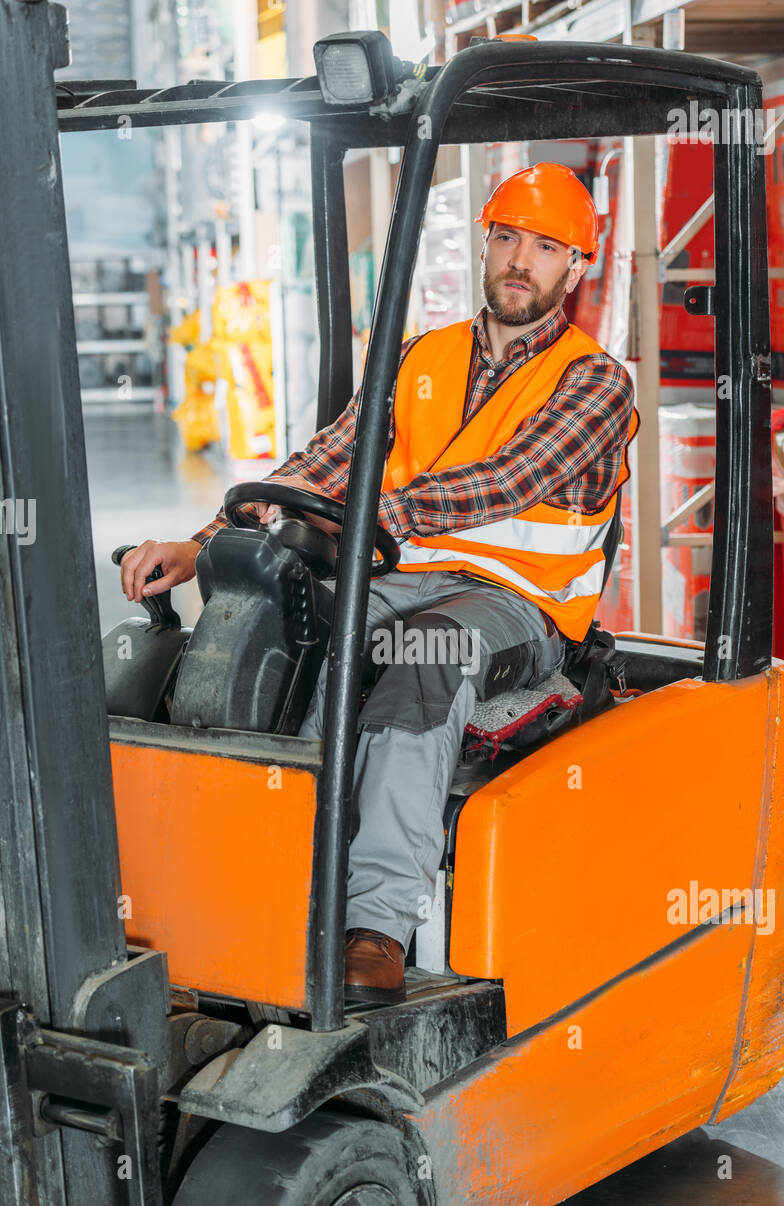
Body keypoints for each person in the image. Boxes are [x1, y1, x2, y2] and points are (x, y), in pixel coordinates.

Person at [120, 163, 637, 1006]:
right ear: (486, 242)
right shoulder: (420, 356)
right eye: (506, 237)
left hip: (520, 606)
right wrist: (208, 537)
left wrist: (366, 515)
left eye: (545, 248)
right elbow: (328, 459)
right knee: (294, 636)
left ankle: (376, 927)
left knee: (418, 663)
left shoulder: (594, 382)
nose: (519, 261)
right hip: (400, 570)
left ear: (576, 267)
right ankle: (266, 882)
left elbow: (504, 481)